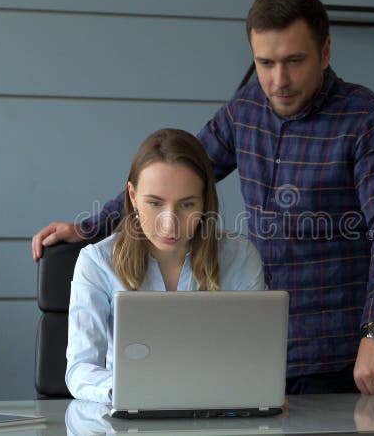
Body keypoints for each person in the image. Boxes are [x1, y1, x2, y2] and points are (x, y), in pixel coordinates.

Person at [38, 0, 374, 396]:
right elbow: (176, 170)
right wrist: (92, 226)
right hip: (254, 355)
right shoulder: (245, 110)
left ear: (325, 52)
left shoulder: (367, 119)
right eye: (265, 63)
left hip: (344, 355)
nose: (279, 80)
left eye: (294, 61)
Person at [65, 128, 266, 403]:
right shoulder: (97, 263)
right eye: (155, 203)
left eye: (186, 204)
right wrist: (131, 392)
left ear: (205, 201)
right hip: (127, 418)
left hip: (217, 417)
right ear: (133, 197)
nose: (169, 223)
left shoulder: (240, 257)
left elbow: (256, 360)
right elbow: (79, 369)